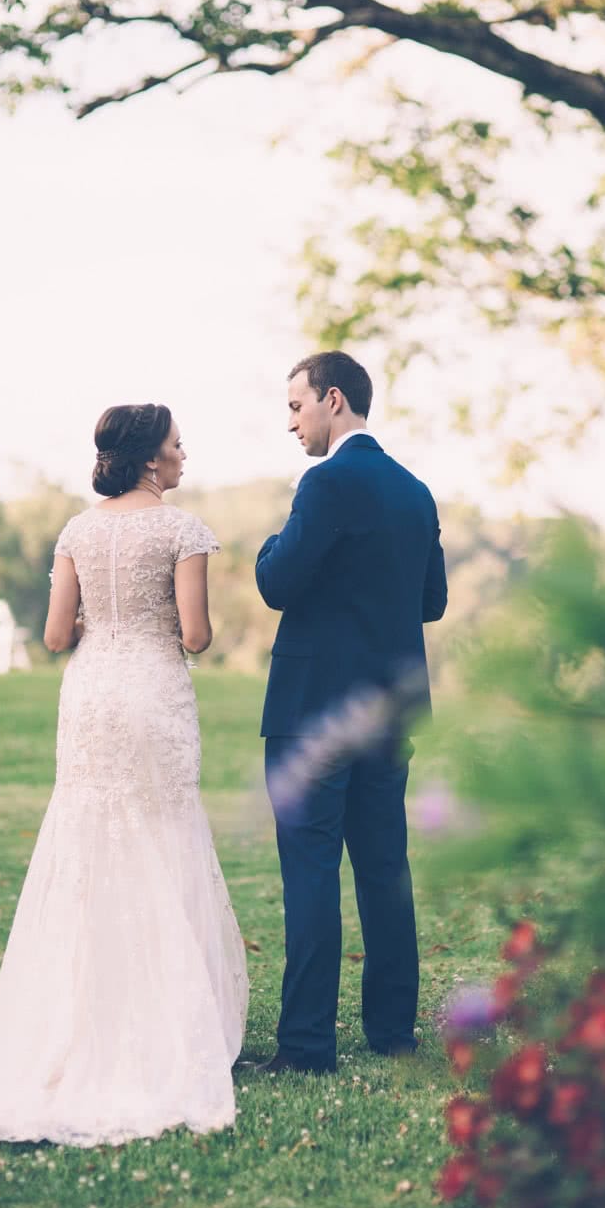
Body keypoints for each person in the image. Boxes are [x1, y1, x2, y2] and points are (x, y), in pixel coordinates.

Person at [0, 404, 248, 1147]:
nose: (184, 455)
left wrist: (108, 627)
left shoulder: (76, 531)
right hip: (153, 691)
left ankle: (72, 1021)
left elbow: (57, 634)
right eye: (178, 444)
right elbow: (196, 636)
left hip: (92, 693)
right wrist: (162, 625)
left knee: (90, 836)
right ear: (151, 459)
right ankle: (162, 1022)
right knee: (162, 834)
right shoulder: (183, 530)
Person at [255, 351, 447, 1075]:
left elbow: (277, 582)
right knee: (384, 868)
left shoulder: (325, 482)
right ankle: (393, 1031)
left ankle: (307, 1045)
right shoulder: (415, 490)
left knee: (311, 870)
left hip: (314, 710)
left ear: (332, 399)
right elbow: (432, 601)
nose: (291, 423)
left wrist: (272, 543)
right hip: (391, 708)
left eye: (296, 406)